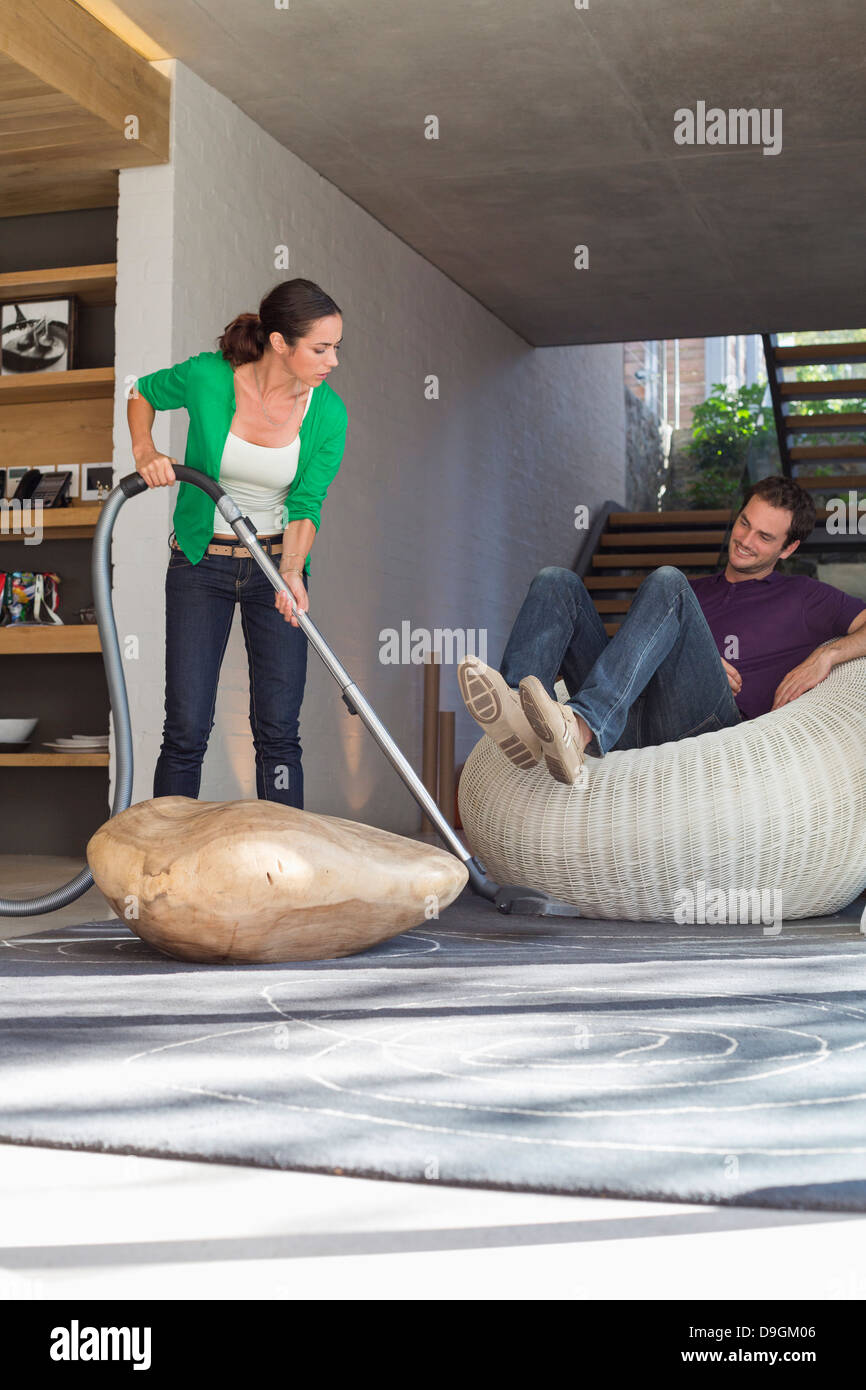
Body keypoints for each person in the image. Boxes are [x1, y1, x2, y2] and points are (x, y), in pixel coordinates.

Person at [458, 475, 866, 785]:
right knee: (555, 582)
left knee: (668, 581)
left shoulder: (804, 597)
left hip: (704, 724)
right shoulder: (691, 594)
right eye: (744, 523)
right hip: (631, 716)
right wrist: (683, 656)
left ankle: (578, 729)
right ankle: (517, 711)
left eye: (764, 537)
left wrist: (826, 655)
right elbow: (628, 663)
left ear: (788, 548)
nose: (745, 540)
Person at [127, 278, 347, 808]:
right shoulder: (208, 378)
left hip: (276, 563)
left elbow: (306, 504)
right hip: (201, 565)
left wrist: (293, 571)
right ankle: (167, 862)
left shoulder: (328, 413)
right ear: (279, 343)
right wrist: (144, 452)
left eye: (336, 347)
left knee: (278, 732)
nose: (333, 361)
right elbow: (141, 392)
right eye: (321, 348)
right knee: (185, 727)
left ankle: (281, 864)